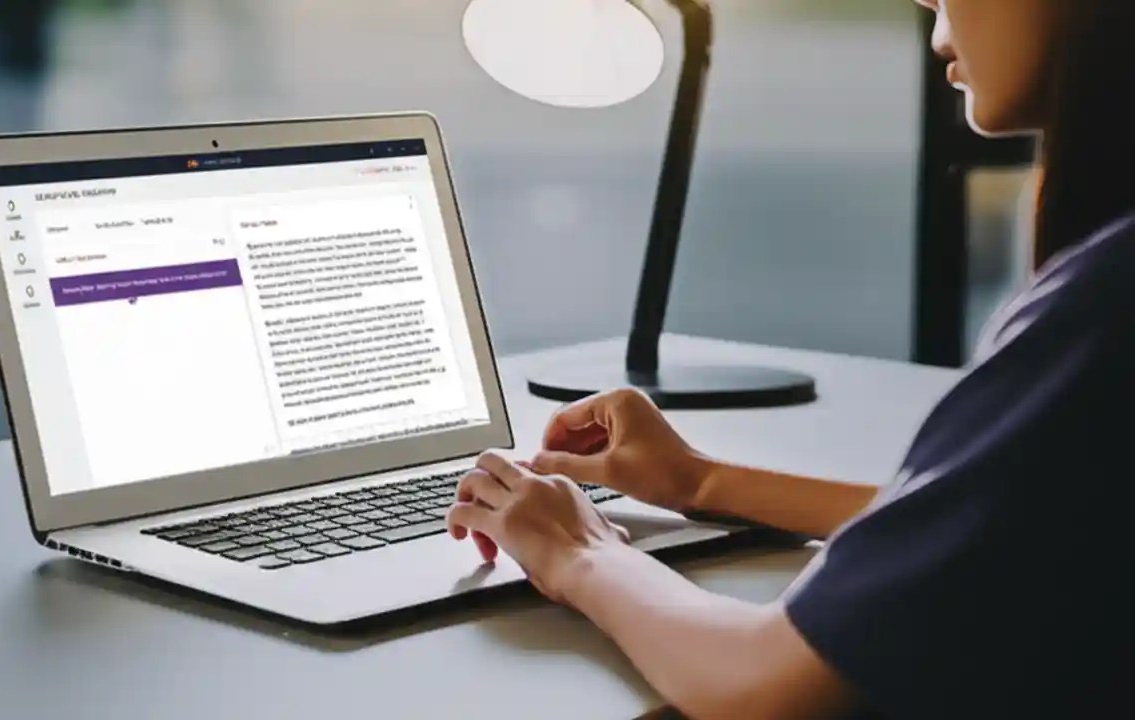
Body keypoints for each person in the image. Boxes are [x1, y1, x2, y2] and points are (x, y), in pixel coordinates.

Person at [445, 0, 1135, 717]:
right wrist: (701, 480)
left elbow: (765, 681)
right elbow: (993, 525)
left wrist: (578, 552)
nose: (928, 0)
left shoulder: (1107, 307)